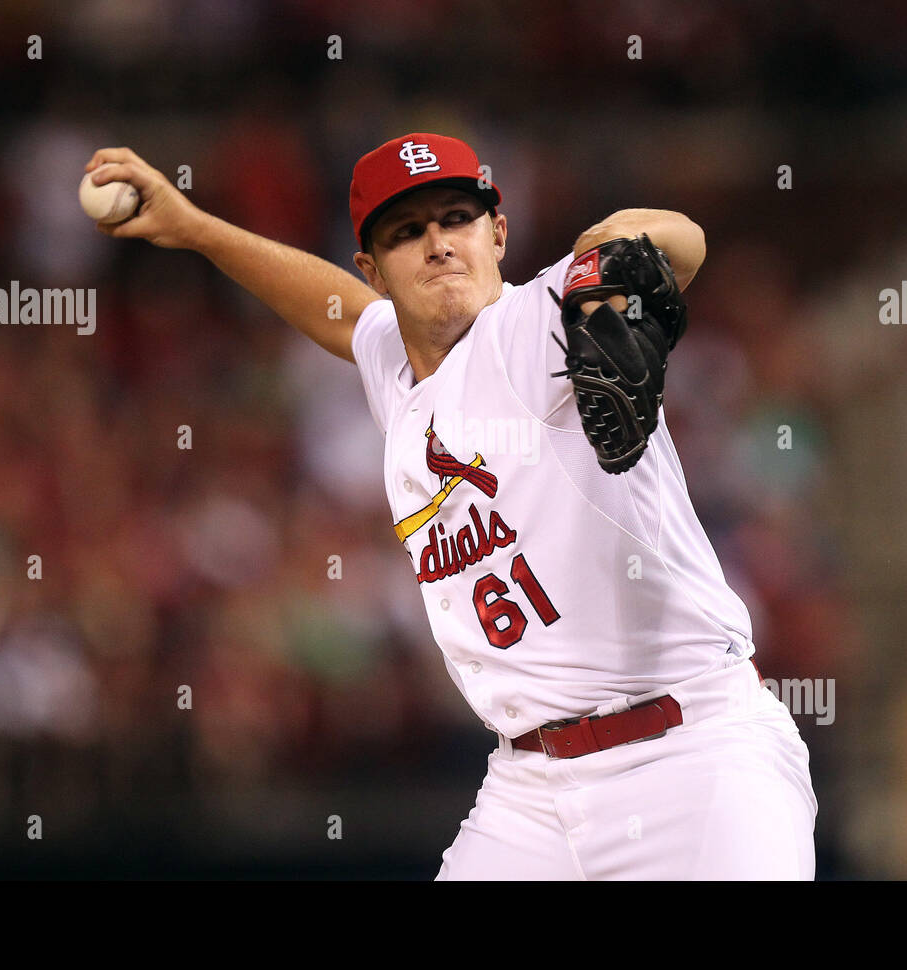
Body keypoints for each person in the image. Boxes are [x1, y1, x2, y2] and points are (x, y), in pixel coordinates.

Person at [83, 131, 817, 879]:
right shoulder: (395, 366)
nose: (436, 244)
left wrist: (604, 260)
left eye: (456, 219)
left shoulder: (536, 324)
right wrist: (195, 228)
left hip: (692, 755)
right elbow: (336, 312)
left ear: (497, 235)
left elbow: (680, 241)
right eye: (407, 232)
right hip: (530, 789)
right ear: (373, 268)